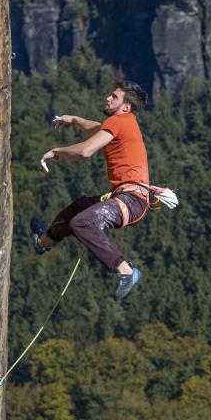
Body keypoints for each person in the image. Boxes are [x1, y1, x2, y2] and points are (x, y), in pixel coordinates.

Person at [31, 80, 153, 300]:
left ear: (126, 106)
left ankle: (125, 270)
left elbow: (86, 150)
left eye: (114, 97)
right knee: (79, 207)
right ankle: (43, 242)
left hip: (132, 199)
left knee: (82, 222)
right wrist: (74, 120)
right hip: (130, 197)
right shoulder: (122, 123)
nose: (108, 97)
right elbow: (95, 128)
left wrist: (56, 152)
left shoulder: (121, 121)